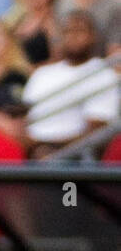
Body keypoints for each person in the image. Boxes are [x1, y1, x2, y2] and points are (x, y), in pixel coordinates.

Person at [23, 10, 120, 153]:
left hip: (72, 159)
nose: (73, 36)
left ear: (94, 37)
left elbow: (96, 133)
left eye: (79, 31)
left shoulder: (103, 74)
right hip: (29, 151)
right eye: (67, 31)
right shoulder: (41, 73)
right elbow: (22, 118)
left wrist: (47, 146)